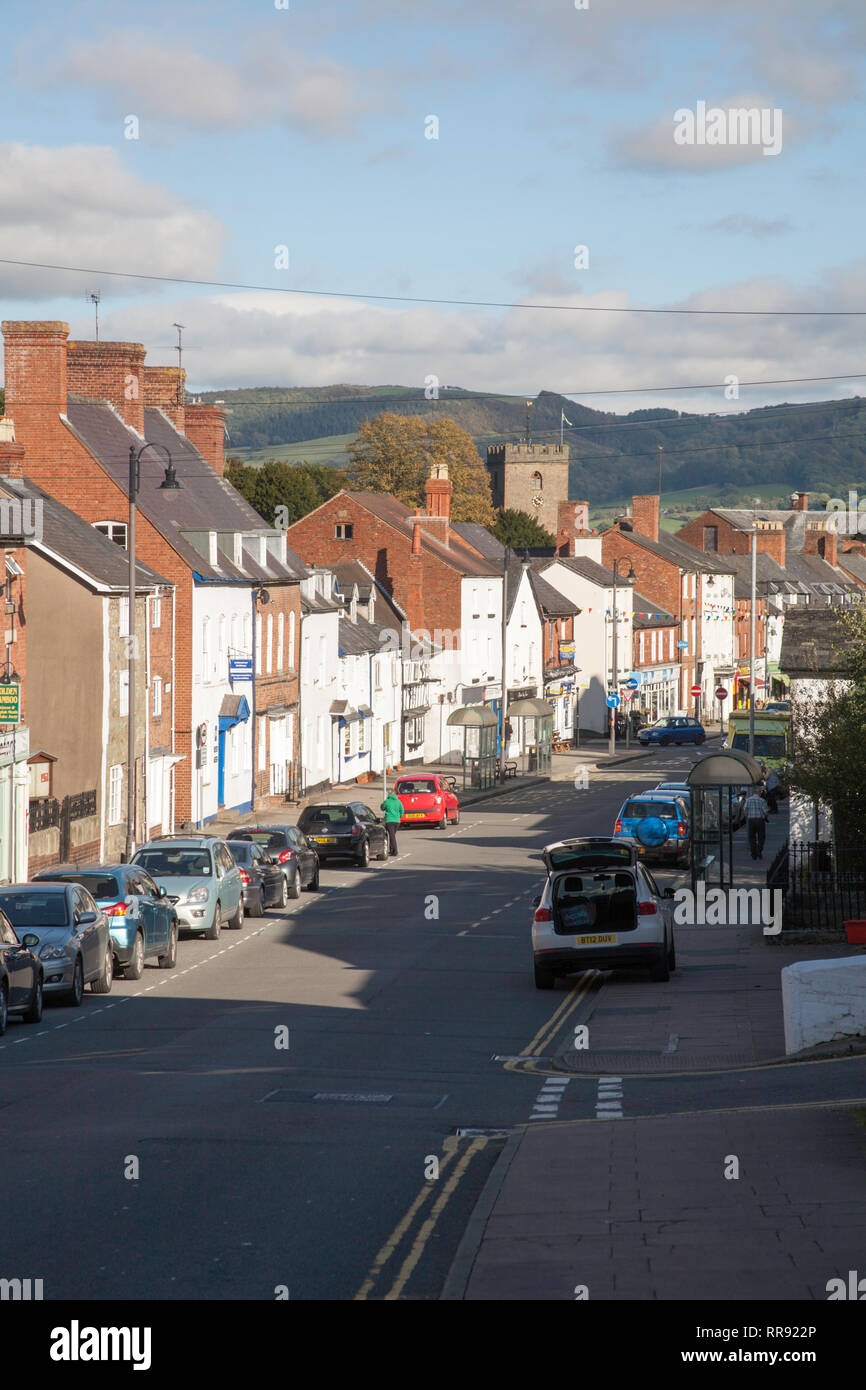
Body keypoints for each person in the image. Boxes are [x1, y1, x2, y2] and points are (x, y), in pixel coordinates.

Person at [743, 787, 770, 859]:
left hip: (751, 820)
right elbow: (766, 812)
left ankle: (753, 853)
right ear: (759, 792)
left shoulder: (748, 800)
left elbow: (745, 811)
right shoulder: (762, 800)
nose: (761, 793)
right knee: (761, 837)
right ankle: (759, 851)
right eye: (761, 792)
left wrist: (748, 817)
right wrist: (766, 817)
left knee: (752, 837)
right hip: (760, 820)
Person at [380, 788, 404, 857]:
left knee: (392, 836)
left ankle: (395, 851)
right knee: (392, 835)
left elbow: (382, 808)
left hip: (389, 821)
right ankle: (392, 850)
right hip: (397, 822)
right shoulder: (398, 801)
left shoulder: (387, 801)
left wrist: (383, 803)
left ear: (389, 794)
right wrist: (399, 817)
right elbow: (402, 810)